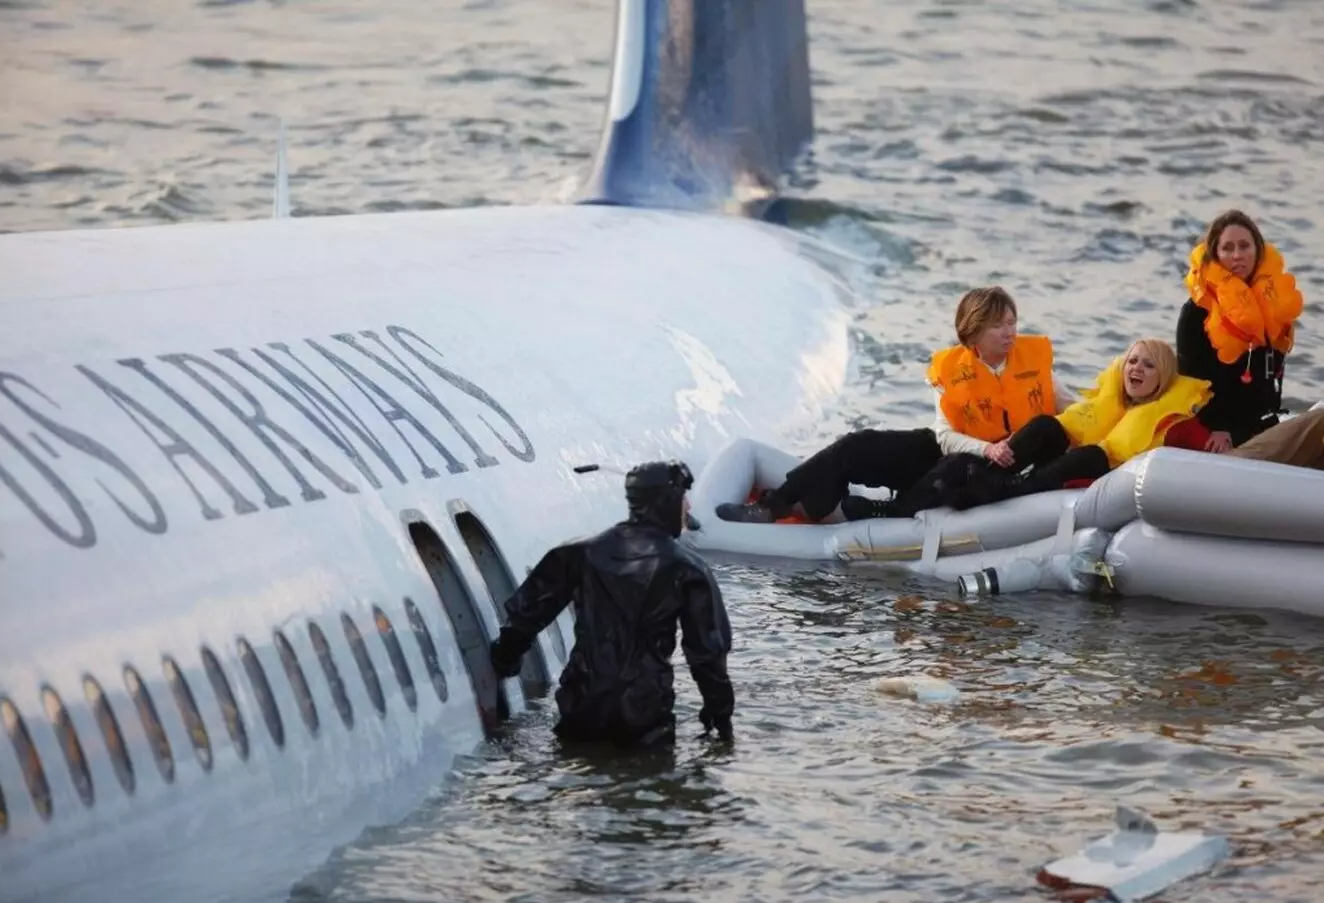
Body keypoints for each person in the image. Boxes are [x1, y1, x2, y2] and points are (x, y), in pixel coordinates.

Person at [714, 286, 1076, 524]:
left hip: (988, 470)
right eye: (998, 326)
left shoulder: (1036, 365)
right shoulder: (951, 371)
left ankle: (883, 510)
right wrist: (987, 447)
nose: (1010, 333)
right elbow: (945, 436)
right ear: (972, 332)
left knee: (956, 468)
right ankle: (775, 505)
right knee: (860, 444)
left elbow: (1074, 410)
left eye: (1012, 323)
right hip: (960, 449)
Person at [487, 460, 734, 749]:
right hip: (644, 711)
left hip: (581, 703)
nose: (689, 507)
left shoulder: (577, 553)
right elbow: (707, 654)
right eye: (683, 498)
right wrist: (719, 716)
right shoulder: (688, 569)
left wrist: (504, 660)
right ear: (667, 502)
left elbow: (525, 618)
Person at [934, 339, 1212, 509]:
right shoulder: (1111, 402)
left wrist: (1225, 437)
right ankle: (986, 476)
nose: (1136, 369)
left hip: (1106, 480)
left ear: (1163, 378)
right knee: (1046, 425)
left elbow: (1213, 456)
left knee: (1092, 454)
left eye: (1149, 366)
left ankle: (1009, 491)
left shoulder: (1175, 422)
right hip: (1062, 466)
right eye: (1132, 361)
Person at [1176, 209, 1304, 451]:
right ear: (1215, 254)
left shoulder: (1271, 306)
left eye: (1244, 246)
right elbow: (1190, 382)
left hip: (1264, 427)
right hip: (1222, 436)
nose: (1237, 255)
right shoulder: (1195, 312)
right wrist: (1220, 429)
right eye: (1227, 248)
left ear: (1258, 252)